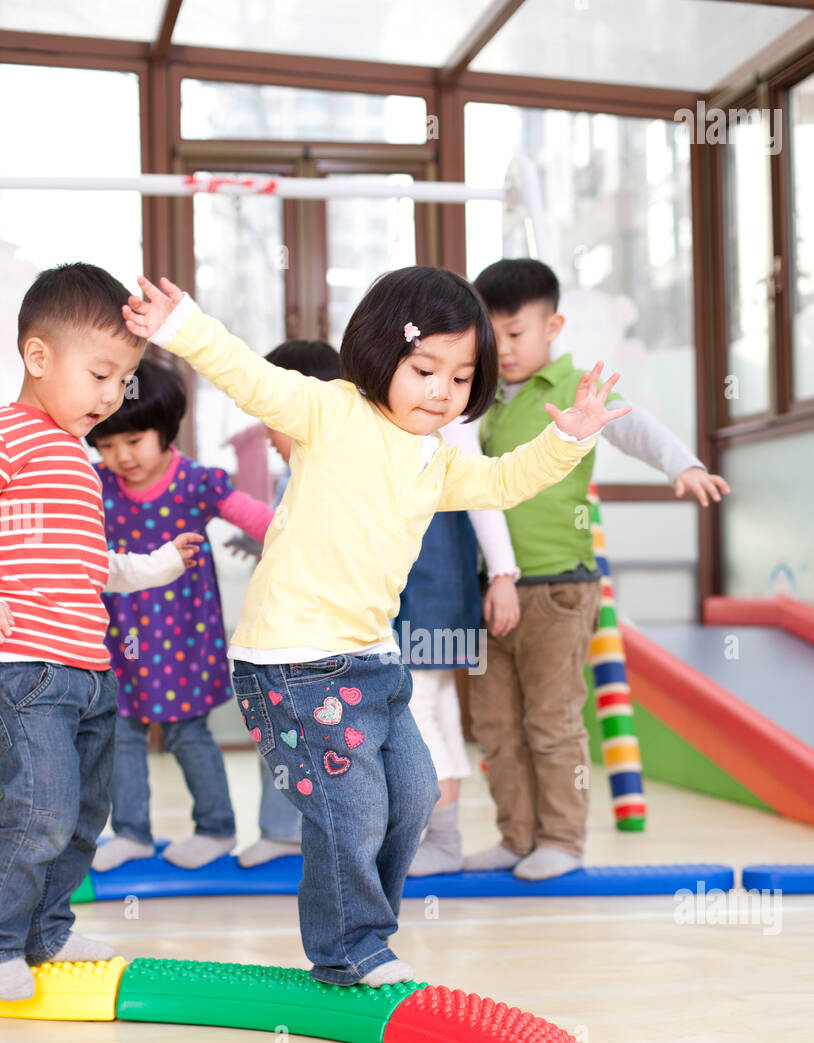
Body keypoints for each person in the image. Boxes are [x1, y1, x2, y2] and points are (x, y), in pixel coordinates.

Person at [122, 264, 631, 987]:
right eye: (426, 369)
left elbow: (501, 482)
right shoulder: (330, 412)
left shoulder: (436, 455)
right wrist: (181, 327)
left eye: (460, 379)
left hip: (371, 658)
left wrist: (569, 439)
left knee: (415, 793)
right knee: (351, 807)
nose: (441, 391)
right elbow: (249, 377)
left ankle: (366, 934)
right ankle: (349, 948)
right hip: (293, 658)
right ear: (381, 353)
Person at [466, 257, 730, 880]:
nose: (501, 348)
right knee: (496, 724)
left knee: (552, 719)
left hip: (560, 585)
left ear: (553, 325)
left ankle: (561, 838)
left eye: (515, 333)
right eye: (491, 334)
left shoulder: (577, 385)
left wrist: (681, 465)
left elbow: (635, 426)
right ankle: (516, 836)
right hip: (489, 587)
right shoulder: (476, 398)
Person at [0, 262, 201, 1001]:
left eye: (124, 381)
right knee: (38, 810)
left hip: (90, 671)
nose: (113, 396)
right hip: (26, 668)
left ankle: (47, 930)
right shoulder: (12, 435)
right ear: (39, 357)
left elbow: (90, 563)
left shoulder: (81, 463)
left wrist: (152, 567)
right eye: (101, 375)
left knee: (85, 815)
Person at [86, 354, 274, 872]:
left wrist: (296, 536)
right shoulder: (96, 486)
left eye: (133, 440)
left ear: (164, 430)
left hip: (181, 638)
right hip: (115, 637)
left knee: (187, 733)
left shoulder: (195, 481)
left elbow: (255, 517)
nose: (120, 456)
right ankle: (132, 833)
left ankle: (215, 828)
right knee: (120, 734)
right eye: (106, 444)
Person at [231, 339, 342, 869]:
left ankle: (335, 839)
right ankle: (280, 832)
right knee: (278, 736)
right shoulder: (290, 479)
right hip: (280, 640)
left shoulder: (343, 475)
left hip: (330, 639)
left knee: (335, 745)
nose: (266, 435)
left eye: (270, 419)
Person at [400, 413, 520, 876]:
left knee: (418, 708)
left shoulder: (446, 423)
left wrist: (504, 574)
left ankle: (443, 840)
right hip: (437, 588)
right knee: (440, 705)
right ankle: (444, 839)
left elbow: (485, 499)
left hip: (434, 590)